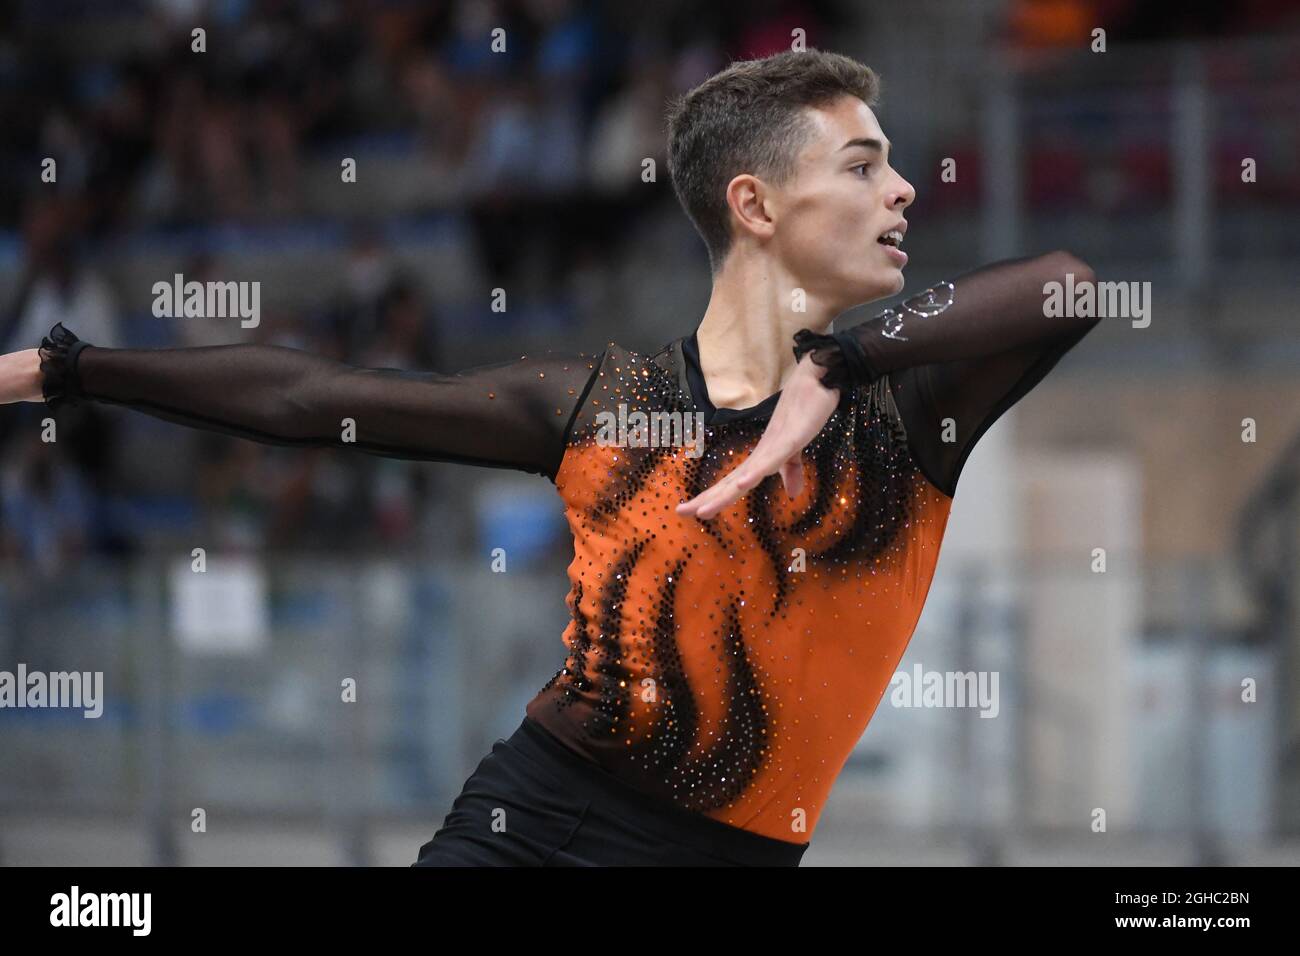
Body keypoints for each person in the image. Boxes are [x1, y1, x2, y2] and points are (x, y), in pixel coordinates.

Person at [0, 48, 1100, 866]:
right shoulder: (607, 405)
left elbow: (1067, 286)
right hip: (533, 825)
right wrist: (67, 367)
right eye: (863, 166)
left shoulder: (906, 415)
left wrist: (841, 363)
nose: (901, 189)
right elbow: (307, 395)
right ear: (755, 204)